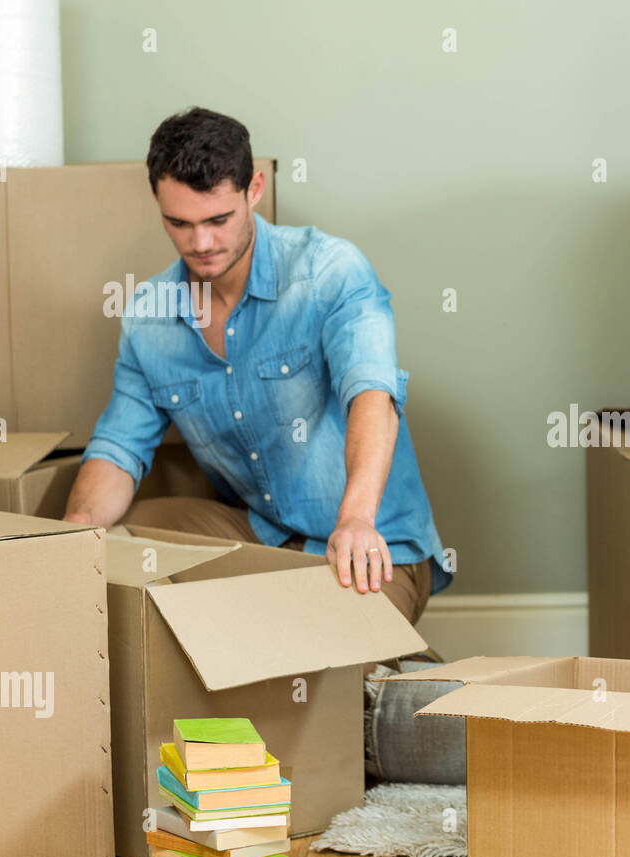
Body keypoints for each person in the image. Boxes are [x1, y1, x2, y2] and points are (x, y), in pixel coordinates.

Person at [63, 107, 451, 673]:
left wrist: (356, 518)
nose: (201, 242)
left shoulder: (330, 272)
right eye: (179, 223)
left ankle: (397, 672)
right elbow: (119, 448)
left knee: (315, 679)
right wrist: (74, 545)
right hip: (260, 534)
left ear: (255, 189)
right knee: (117, 541)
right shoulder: (149, 316)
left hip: (369, 545)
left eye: (218, 218)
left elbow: (371, 391)